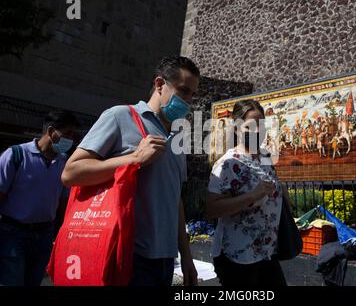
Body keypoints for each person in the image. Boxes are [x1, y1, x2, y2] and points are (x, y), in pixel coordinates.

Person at [61, 56, 199, 286]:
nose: (188, 101)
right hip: (126, 255)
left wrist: (186, 256)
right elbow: (70, 173)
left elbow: (176, 199)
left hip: (165, 260)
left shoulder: (179, 138)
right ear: (159, 84)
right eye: (183, 90)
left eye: (193, 94)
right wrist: (134, 159)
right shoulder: (119, 116)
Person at [205, 99, 289, 286]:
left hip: (267, 251)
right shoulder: (228, 163)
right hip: (238, 256)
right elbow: (212, 209)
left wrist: (281, 192)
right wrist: (252, 196)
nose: (258, 131)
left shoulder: (265, 156)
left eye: (261, 124)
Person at [0, 111, 79, 286]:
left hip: (44, 236)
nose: (71, 139)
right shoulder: (16, 155)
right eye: (67, 134)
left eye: (73, 135)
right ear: (51, 131)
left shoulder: (64, 163)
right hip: (13, 234)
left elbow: (63, 204)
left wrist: (62, 235)